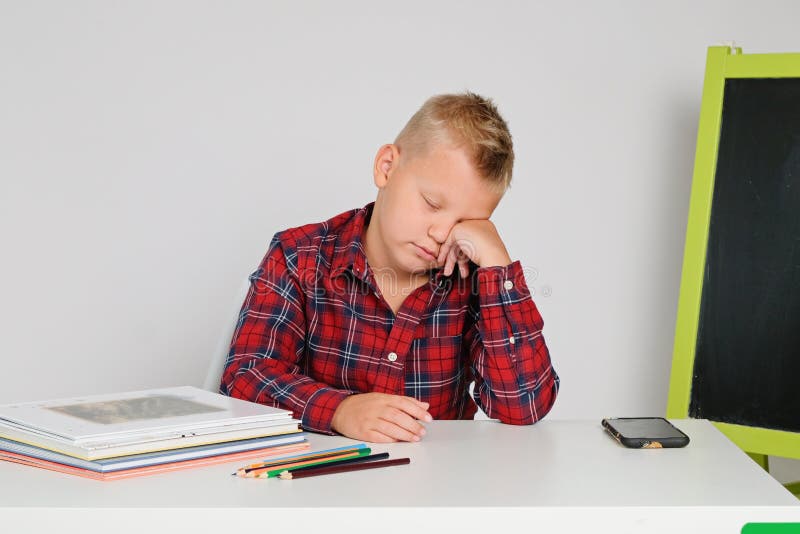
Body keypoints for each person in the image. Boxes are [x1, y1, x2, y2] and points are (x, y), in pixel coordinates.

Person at [220, 92, 559, 443]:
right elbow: (245, 377)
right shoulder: (298, 255)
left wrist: (497, 264)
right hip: (318, 484)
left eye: (467, 222)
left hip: (439, 484)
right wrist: (339, 410)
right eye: (431, 203)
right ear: (387, 167)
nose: (442, 233)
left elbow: (525, 406)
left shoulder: (471, 278)